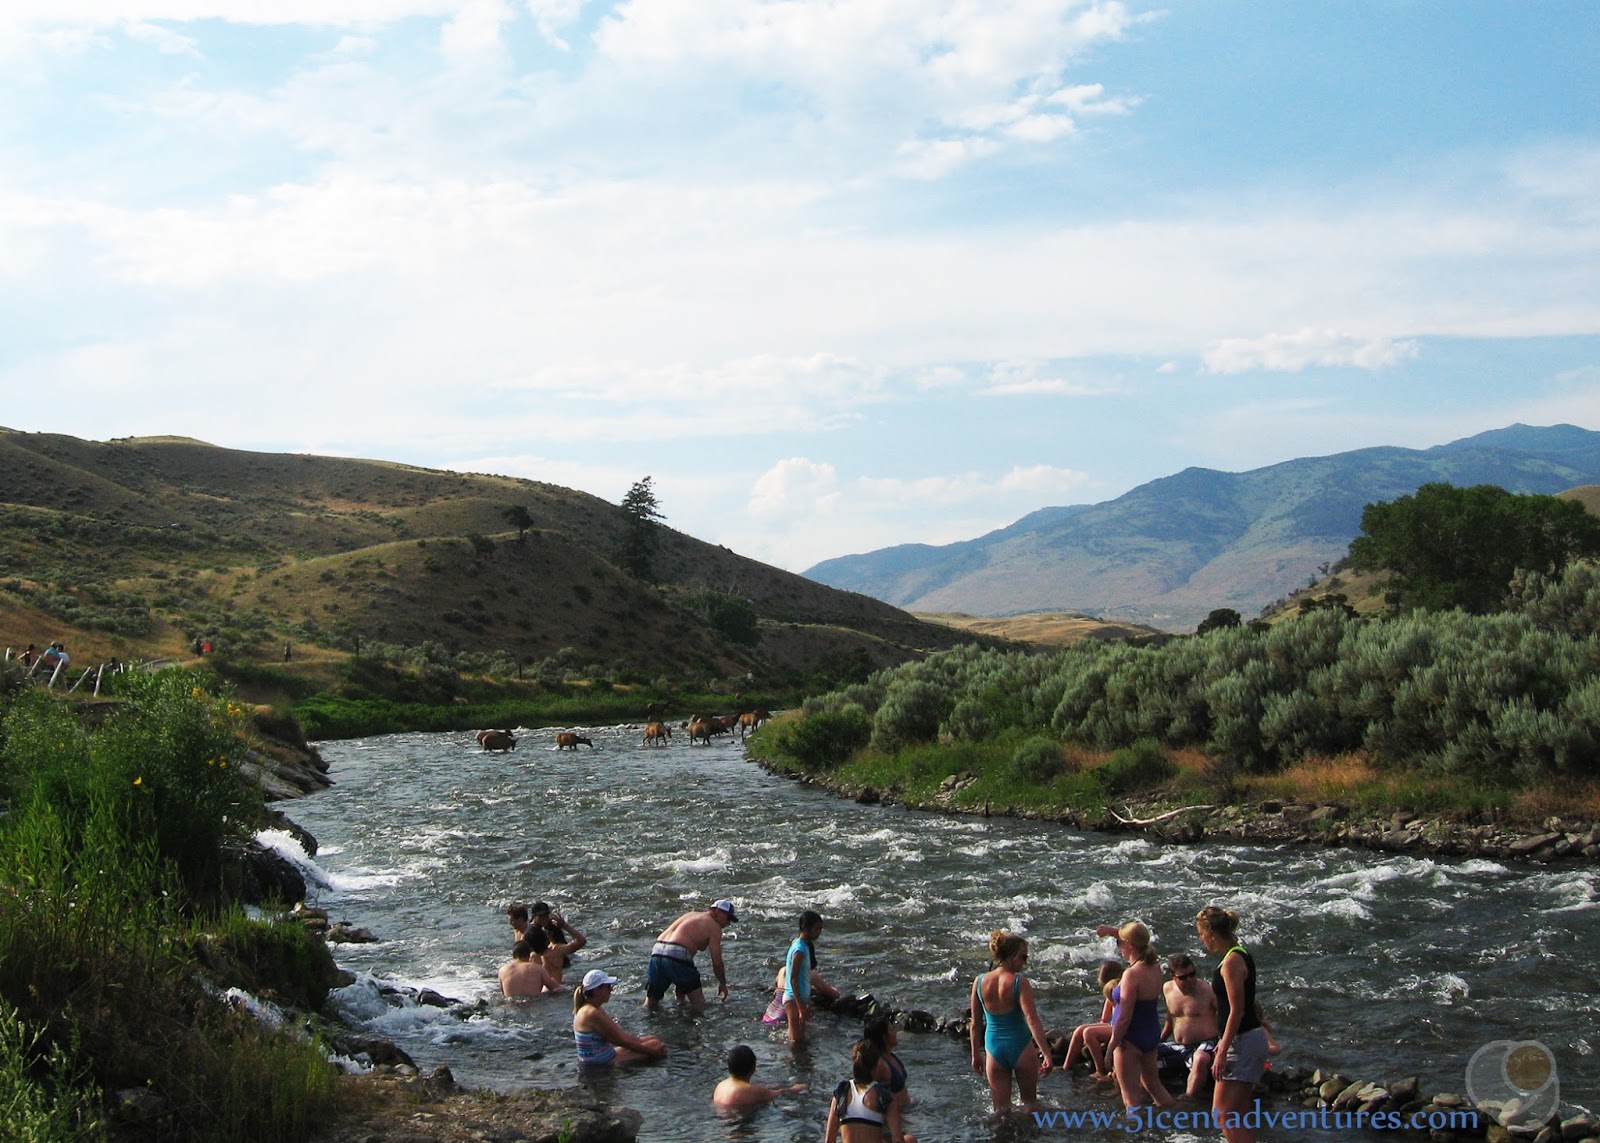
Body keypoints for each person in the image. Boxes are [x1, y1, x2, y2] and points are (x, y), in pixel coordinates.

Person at [1196, 906, 1269, 1143]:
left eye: (1201, 934)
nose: (1201, 939)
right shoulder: (1238, 954)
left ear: (1212, 934)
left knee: (1223, 1115)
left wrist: (1222, 1049)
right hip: (1247, 1039)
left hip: (1242, 1042)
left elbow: (1236, 1011)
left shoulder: (1232, 962)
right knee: (1238, 1114)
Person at [969, 931, 1053, 1114]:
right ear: (1013, 956)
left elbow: (975, 1022)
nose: (1025, 962)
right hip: (1020, 1046)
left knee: (1000, 1111)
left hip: (994, 1049)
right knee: (1030, 1105)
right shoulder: (1019, 982)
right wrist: (1046, 1053)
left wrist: (975, 1054)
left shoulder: (980, 981)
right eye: (1024, 957)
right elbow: (1032, 1019)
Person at [1096, 921, 1174, 1114]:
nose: (1119, 948)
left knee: (1130, 1098)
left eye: (1119, 943)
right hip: (1151, 1033)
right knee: (1154, 1086)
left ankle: (1135, 1134)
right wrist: (1111, 931)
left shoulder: (1131, 974)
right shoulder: (1154, 966)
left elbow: (1124, 1018)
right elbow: (1137, 938)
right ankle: (1177, 1120)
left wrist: (1111, 1047)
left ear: (1129, 945)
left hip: (1129, 1039)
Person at [645, 899, 735, 1013]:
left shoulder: (690, 915)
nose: (728, 923)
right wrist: (722, 983)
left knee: (651, 1003)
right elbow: (717, 961)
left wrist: (681, 985)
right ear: (717, 911)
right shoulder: (714, 926)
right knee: (699, 1004)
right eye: (728, 918)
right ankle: (696, 1029)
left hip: (657, 951)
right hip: (676, 952)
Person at [824, 1039, 916, 1143]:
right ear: (877, 1066)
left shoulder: (842, 1092)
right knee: (909, 1140)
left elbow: (829, 1140)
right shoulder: (883, 1094)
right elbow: (898, 1140)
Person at [572, 970, 668, 1066]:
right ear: (597, 991)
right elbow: (621, 1041)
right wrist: (653, 1052)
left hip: (604, 1055)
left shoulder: (591, 1008)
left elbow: (621, 1035)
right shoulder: (591, 1013)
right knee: (655, 1045)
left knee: (653, 1039)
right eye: (608, 987)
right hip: (600, 1063)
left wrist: (642, 1043)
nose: (611, 990)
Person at [1159, 952, 1220, 1098]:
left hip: (1206, 1043)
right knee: (1144, 1052)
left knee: (1200, 1059)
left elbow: (1228, 1016)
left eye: (1192, 974)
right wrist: (1159, 1041)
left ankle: (1189, 1100)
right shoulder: (1167, 988)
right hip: (1180, 1046)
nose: (1190, 980)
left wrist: (1224, 1044)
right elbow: (1170, 1018)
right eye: (1183, 977)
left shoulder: (1207, 991)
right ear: (1173, 977)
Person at [1065, 959, 1124, 1079]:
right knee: (1079, 1030)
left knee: (1089, 1033)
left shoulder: (1121, 989)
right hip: (1114, 1025)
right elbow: (1107, 1009)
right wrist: (1102, 1020)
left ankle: (1100, 1070)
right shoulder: (1112, 989)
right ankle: (1066, 1065)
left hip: (1120, 1028)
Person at [711, 1044, 805, 1109]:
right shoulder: (749, 1090)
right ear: (753, 1068)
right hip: (739, 1121)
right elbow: (778, 1093)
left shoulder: (720, 1085)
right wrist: (795, 1089)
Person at [782, 909, 824, 1044]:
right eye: (817, 929)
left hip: (799, 1000)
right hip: (793, 1000)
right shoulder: (799, 950)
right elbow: (793, 979)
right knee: (796, 1043)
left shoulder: (803, 946)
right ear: (806, 928)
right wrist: (800, 1007)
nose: (819, 932)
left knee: (801, 1041)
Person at [863, 1015, 912, 1110]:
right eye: (892, 1029)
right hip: (895, 1115)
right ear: (884, 1037)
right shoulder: (880, 1064)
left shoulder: (890, 1056)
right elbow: (879, 1098)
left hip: (905, 1110)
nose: (896, 1032)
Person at [529, 906, 585, 983]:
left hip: (542, 988)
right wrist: (565, 926)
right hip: (556, 988)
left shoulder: (534, 955)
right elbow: (581, 941)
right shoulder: (557, 950)